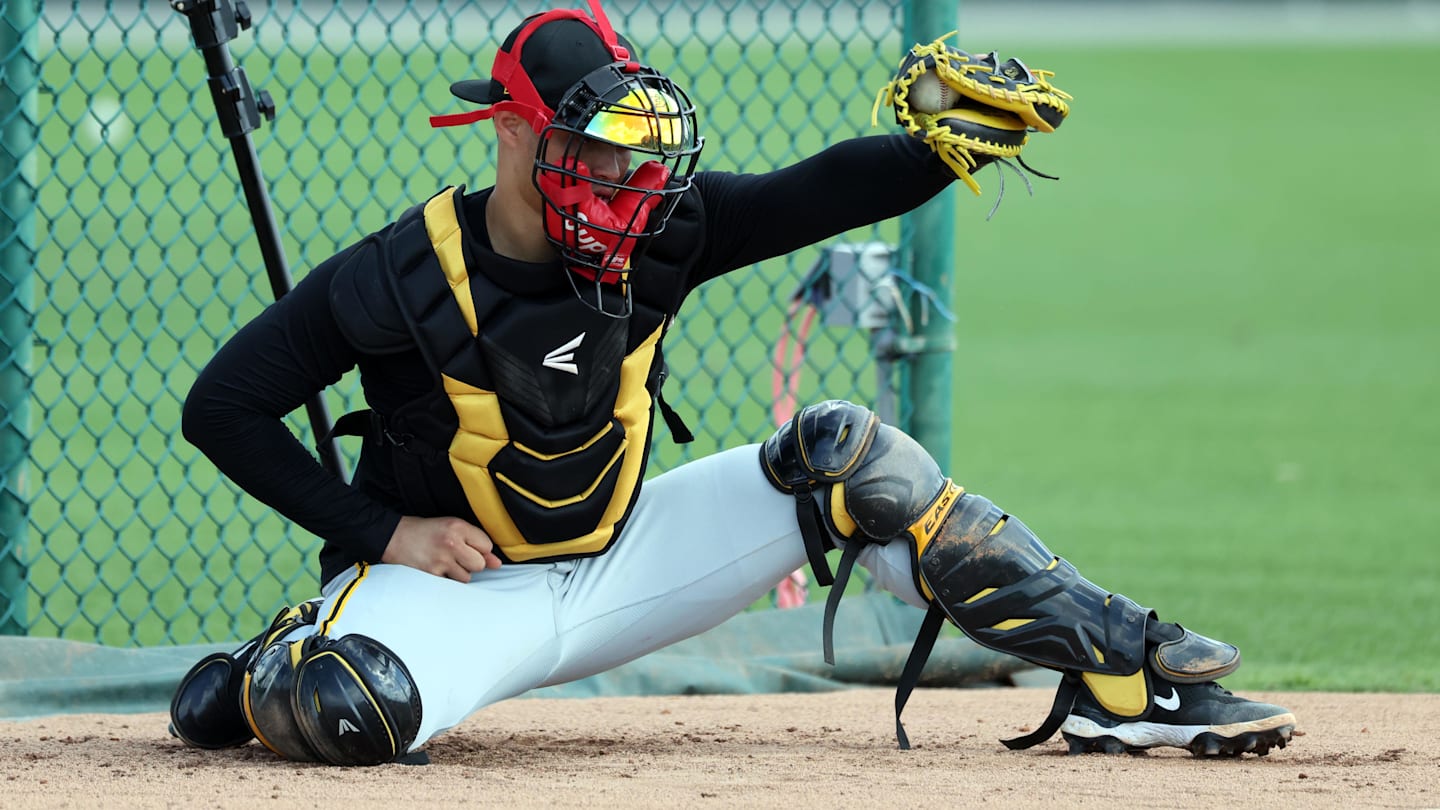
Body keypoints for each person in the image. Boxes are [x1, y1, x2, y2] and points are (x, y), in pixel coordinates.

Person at [168, 0, 1297, 766]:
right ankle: (292, 646)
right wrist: (382, 530)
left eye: (634, 149)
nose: (621, 175)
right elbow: (220, 407)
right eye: (593, 144)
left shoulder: (663, 231)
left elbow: (808, 194)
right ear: (513, 129)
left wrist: (939, 150)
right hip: (461, 598)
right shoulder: (395, 275)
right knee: (343, 710)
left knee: (853, 457)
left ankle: (1124, 683)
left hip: (620, 565)